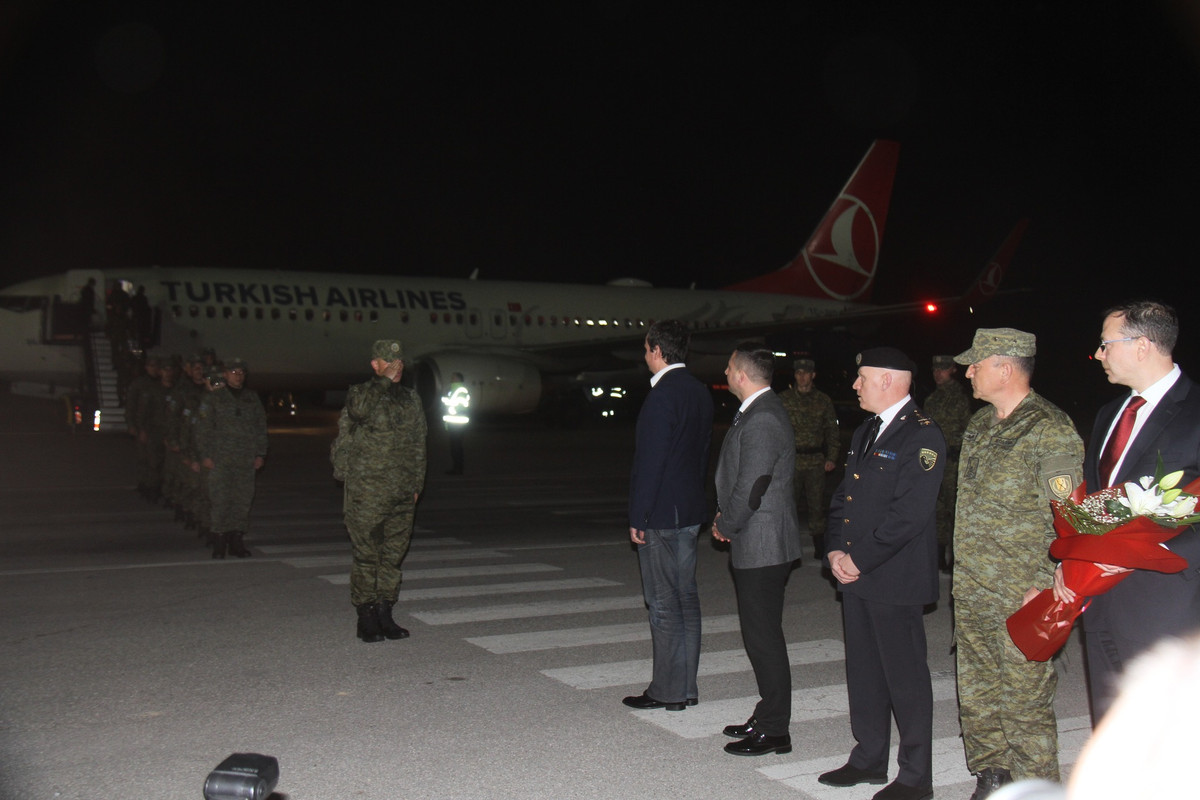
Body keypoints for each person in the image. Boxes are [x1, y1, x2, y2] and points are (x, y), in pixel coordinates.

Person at [951, 329, 1084, 799]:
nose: (967, 371)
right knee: (978, 689)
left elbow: (1070, 517)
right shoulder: (980, 425)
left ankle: (1037, 788)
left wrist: (1048, 584)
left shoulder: (1050, 428)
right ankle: (992, 775)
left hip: (1021, 593)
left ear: (1004, 368)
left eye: (975, 364)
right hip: (972, 589)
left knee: (1025, 702)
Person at [1053, 300, 1200, 722]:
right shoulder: (1108, 414)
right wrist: (1072, 557)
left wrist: (1145, 558)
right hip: (1102, 600)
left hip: (1167, 602)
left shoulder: (1195, 411)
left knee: (1165, 736)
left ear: (1141, 346)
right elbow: (1094, 501)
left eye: (1105, 344)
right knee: (1112, 726)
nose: (1098, 354)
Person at [819, 347, 945, 800]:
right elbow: (843, 500)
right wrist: (834, 549)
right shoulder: (867, 430)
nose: (855, 385)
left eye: (862, 377)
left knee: (905, 680)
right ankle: (868, 758)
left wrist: (858, 559)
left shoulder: (923, 436)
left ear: (890, 380)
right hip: (855, 573)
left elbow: (908, 515)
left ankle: (915, 778)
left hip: (894, 577)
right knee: (865, 671)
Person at [712, 343, 802, 757]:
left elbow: (753, 485)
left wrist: (726, 523)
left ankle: (775, 730)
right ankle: (767, 712)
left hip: (762, 542)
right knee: (759, 633)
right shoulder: (756, 410)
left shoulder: (763, 417)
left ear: (743, 375)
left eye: (730, 367)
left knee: (763, 637)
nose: (726, 371)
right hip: (759, 539)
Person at [623, 320, 713, 712]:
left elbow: (651, 462)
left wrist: (639, 515)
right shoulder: (699, 391)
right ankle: (685, 687)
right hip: (690, 509)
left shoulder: (662, 396)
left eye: (646, 350)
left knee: (663, 604)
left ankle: (667, 690)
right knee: (685, 599)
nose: (645, 357)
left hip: (662, 513)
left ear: (659, 351)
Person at [331, 340, 427, 643]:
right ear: (376, 365)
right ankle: (366, 616)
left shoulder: (410, 399)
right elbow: (358, 412)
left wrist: (416, 485)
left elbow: (418, 445)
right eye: (389, 362)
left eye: (399, 362)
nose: (397, 367)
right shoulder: (361, 394)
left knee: (392, 557)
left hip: (400, 490)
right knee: (366, 556)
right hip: (367, 491)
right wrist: (384, 382)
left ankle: (386, 613)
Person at [196, 358, 268, 559]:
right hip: (221, 459)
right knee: (220, 500)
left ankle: (237, 540)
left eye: (242, 372)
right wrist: (205, 455)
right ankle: (219, 540)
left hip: (245, 460)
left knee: (242, 501)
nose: (239, 375)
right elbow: (203, 429)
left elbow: (260, 427)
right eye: (234, 372)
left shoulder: (251, 398)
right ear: (225, 374)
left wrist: (260, 453)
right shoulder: (214, 398)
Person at [779, 358, 840, 558]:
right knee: (787, 504)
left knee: (817, 506)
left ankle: (820, 547)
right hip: (792, 460)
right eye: (798, 373)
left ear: (813, 375)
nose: (802, 376)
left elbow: (832, 430)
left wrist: (832, 456)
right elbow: (775, 430)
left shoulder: (823, 400)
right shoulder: (784, 399)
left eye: (806, 373)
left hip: (815, 461)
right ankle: (786, 545)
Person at [923, 354, 972, 571]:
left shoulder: (963, 397)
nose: (938, 373)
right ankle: (938, 555)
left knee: (955, 510)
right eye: (935, 369)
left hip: (954, 462)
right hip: (935, 463)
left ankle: (955, 556)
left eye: (942, 369)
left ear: (952, 370)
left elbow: (969, 429)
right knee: (936, 509)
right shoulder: (931, 400)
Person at [440, 372, 470, 475]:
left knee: (456, 447)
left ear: (458, 379)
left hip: (457, 423)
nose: (451, 379)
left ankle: (458, 469)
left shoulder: (460, 390)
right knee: (455, 447)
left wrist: (448, 404)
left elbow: (461, 406)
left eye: (453, 377)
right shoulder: (452, 390)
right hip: (454, 423)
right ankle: (457, 467)